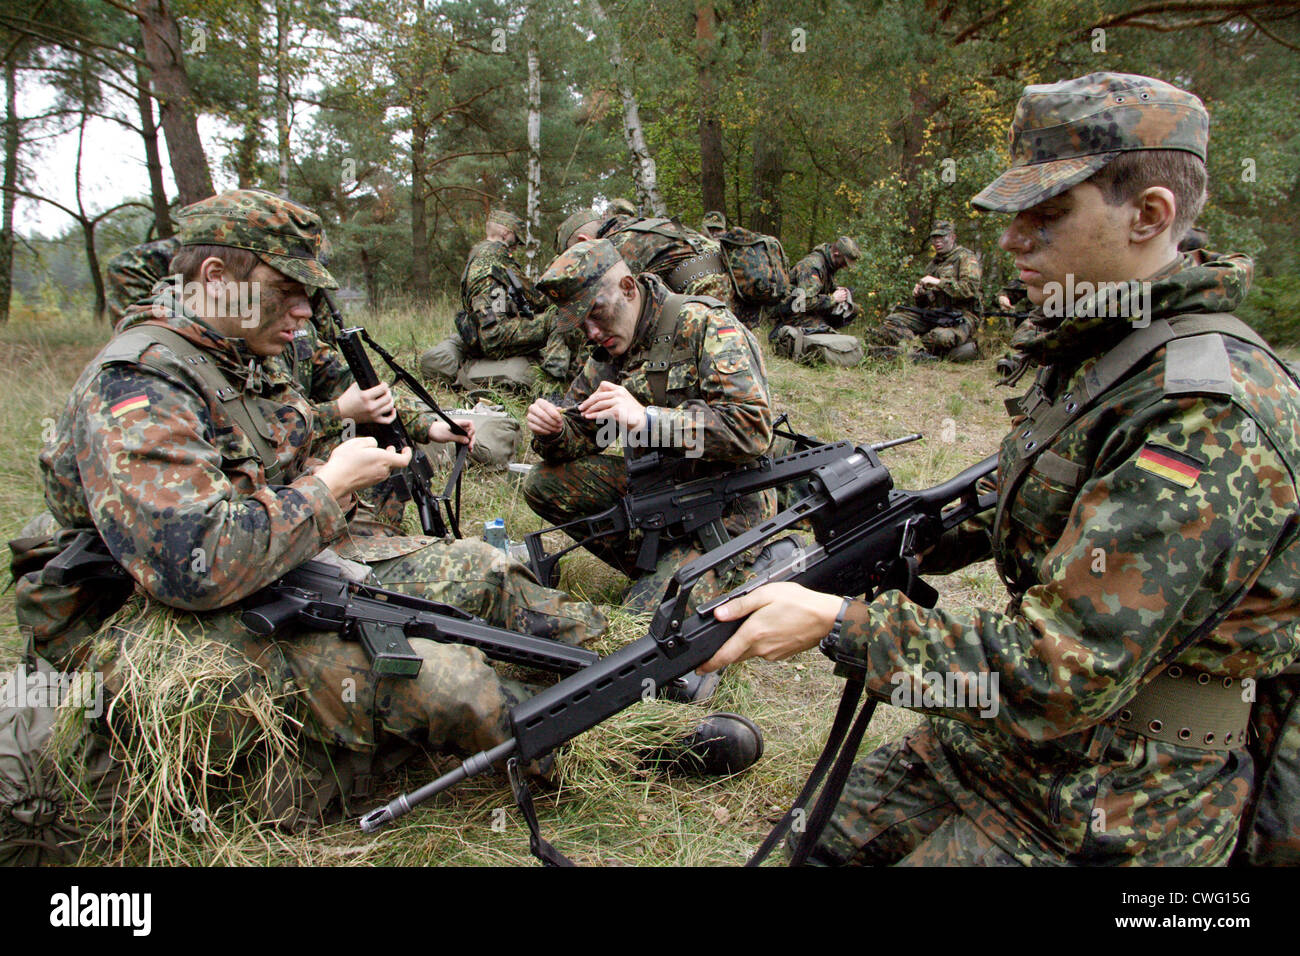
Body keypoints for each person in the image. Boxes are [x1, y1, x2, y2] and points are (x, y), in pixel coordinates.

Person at [699, 72, 1300, 865]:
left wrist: (837, 624)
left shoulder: (1204, 413)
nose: (1012, 242)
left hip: (1125, 799)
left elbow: (1062, 671)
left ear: (1149, 216)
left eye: (1047, 216)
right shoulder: (1108, 347)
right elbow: (1033, 495)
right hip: (1000, 744)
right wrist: (889, 530)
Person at [18, 189, 609, 831]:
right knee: (450, 680)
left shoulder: (237, 353)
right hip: (160, 627)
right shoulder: (139, 383)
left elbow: (305, 422)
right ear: (216, 280)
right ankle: (593, 752)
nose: (305, 309)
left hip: (278, 575)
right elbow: (195, 566)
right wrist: (328, 488)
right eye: (286, 288)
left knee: (481, 569)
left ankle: (631, 672)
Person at [521, 240, 774, 701]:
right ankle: (657, 568)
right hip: (657, 498)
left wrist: (649, 421)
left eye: (597, 314)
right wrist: (556, 430)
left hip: (724, 510)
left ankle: (715, 573)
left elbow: (752, 431)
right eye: (582, 323)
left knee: (639, 643)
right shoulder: (606, 352)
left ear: (628, 286)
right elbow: (586, 432)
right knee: (542, 484)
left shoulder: (702, 323)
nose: (592, 332)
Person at [421, 208, 580, 387]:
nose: (515, 247)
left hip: (479, 335)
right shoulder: (499, 255)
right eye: (515, 241)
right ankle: (553, 386)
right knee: (558, 320)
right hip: (497, 337)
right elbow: (537, 298)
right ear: (505, 233)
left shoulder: (476, 256)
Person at [553, 208, 733, 306]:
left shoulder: (612, 247)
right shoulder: (636, 226)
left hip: (711, 292)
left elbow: (614, 307)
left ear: (584, 241)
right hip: (736, 277)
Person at [873, 221, 982, 360]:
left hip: (960, 316)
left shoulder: (965, 257)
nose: (937, 241)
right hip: (935, 315)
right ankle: (915, 351)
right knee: (893, 321)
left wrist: (938, 283)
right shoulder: (932, 265)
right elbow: (925, 303)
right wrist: (920, 294)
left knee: (940, 337)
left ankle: (931, 349)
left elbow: (970, 289)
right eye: (934, 238)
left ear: (953, 237)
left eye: (942, 237)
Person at [700, 210, 792, 329]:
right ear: (702, 230)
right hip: (739, 314)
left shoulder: (736, 250)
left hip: (733, 313)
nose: (714, 234)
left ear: (724, 230)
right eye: (710, 229)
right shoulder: (737, 250)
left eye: (717, 230)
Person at [774, 235, 861, 336]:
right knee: (827, 336)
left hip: (807, 310)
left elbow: (820, 287)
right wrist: (833, 299)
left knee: (853, 310)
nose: (845, 266)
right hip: (792, 313)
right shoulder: (813, 266)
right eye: (844, 262)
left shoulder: (828, 265)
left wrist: (836, 290)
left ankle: (819, 326)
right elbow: (804, 302)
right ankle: (782, 331)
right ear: (837, 253)